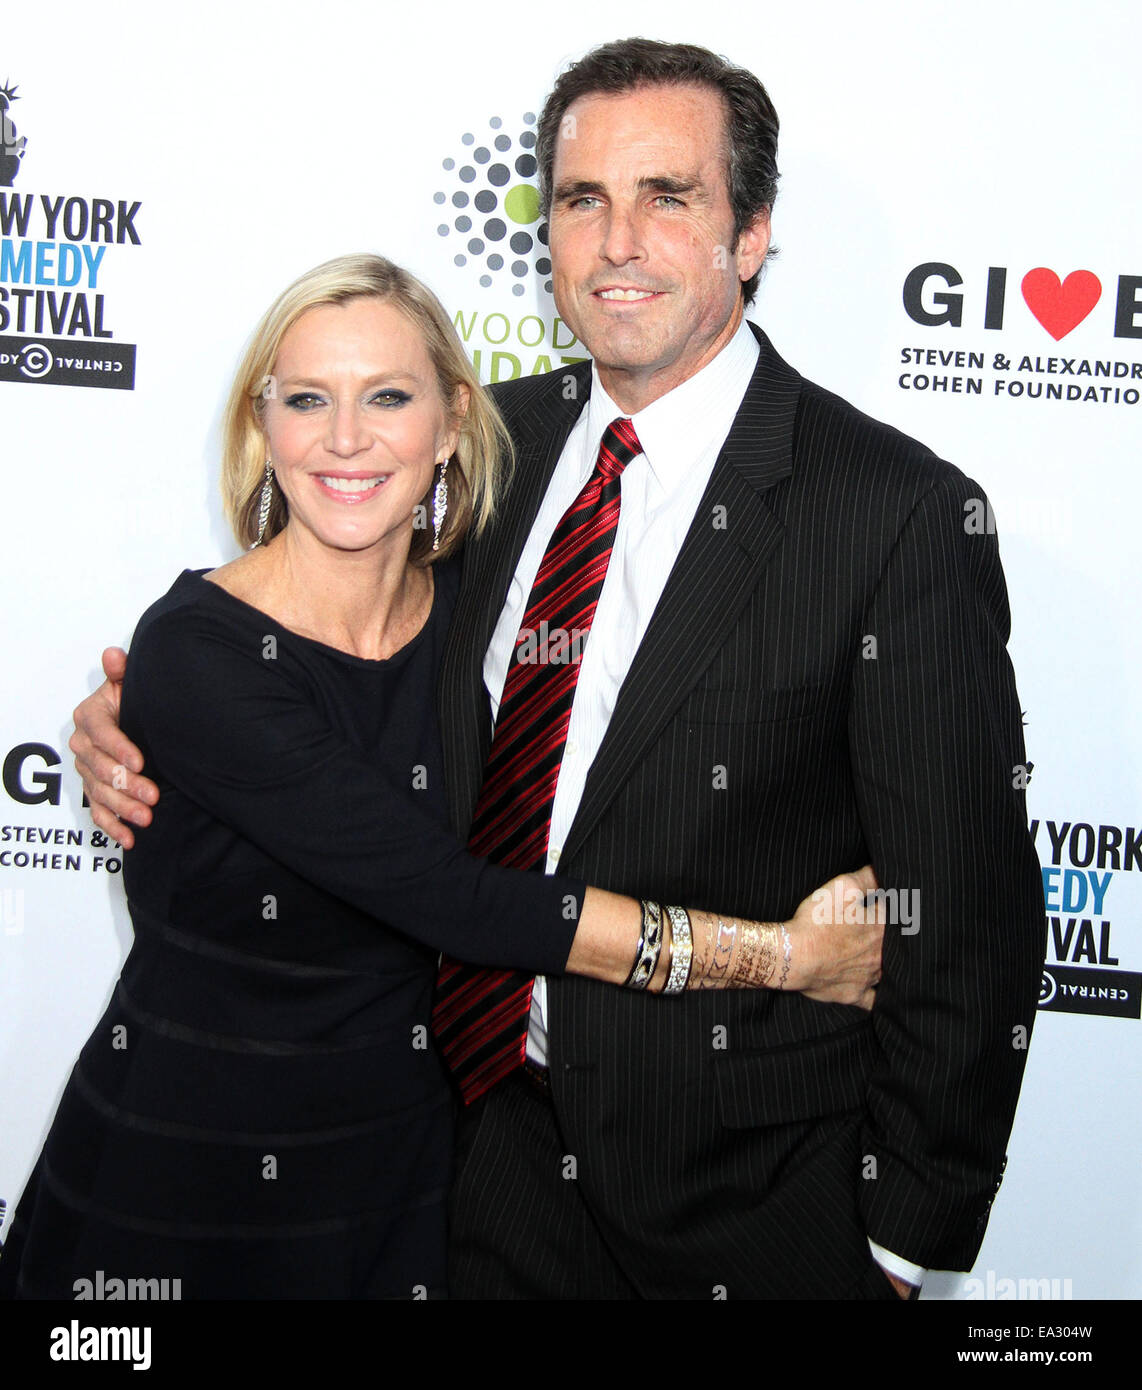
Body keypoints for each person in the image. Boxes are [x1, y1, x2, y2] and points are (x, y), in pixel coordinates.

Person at [73, 38, 1046, 1299]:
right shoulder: (485, 447)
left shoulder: (892, 514)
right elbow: (323, 645)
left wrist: (894, 1247)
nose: (617, 242)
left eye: (668, 197)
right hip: (473, 1162)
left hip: (748, 1204)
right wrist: (145, 721)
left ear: (749, 234)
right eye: (583, 200)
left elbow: (965, 918)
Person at [2, 253, 881, 1301]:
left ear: (453, 422)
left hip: (408, 1184)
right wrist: (779, 957)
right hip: (189, 1175)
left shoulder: (488, 604)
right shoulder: (198, 653)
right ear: (261, 424)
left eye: (387, 396)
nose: (344, 439)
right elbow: (460, 900)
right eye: (306, 400)